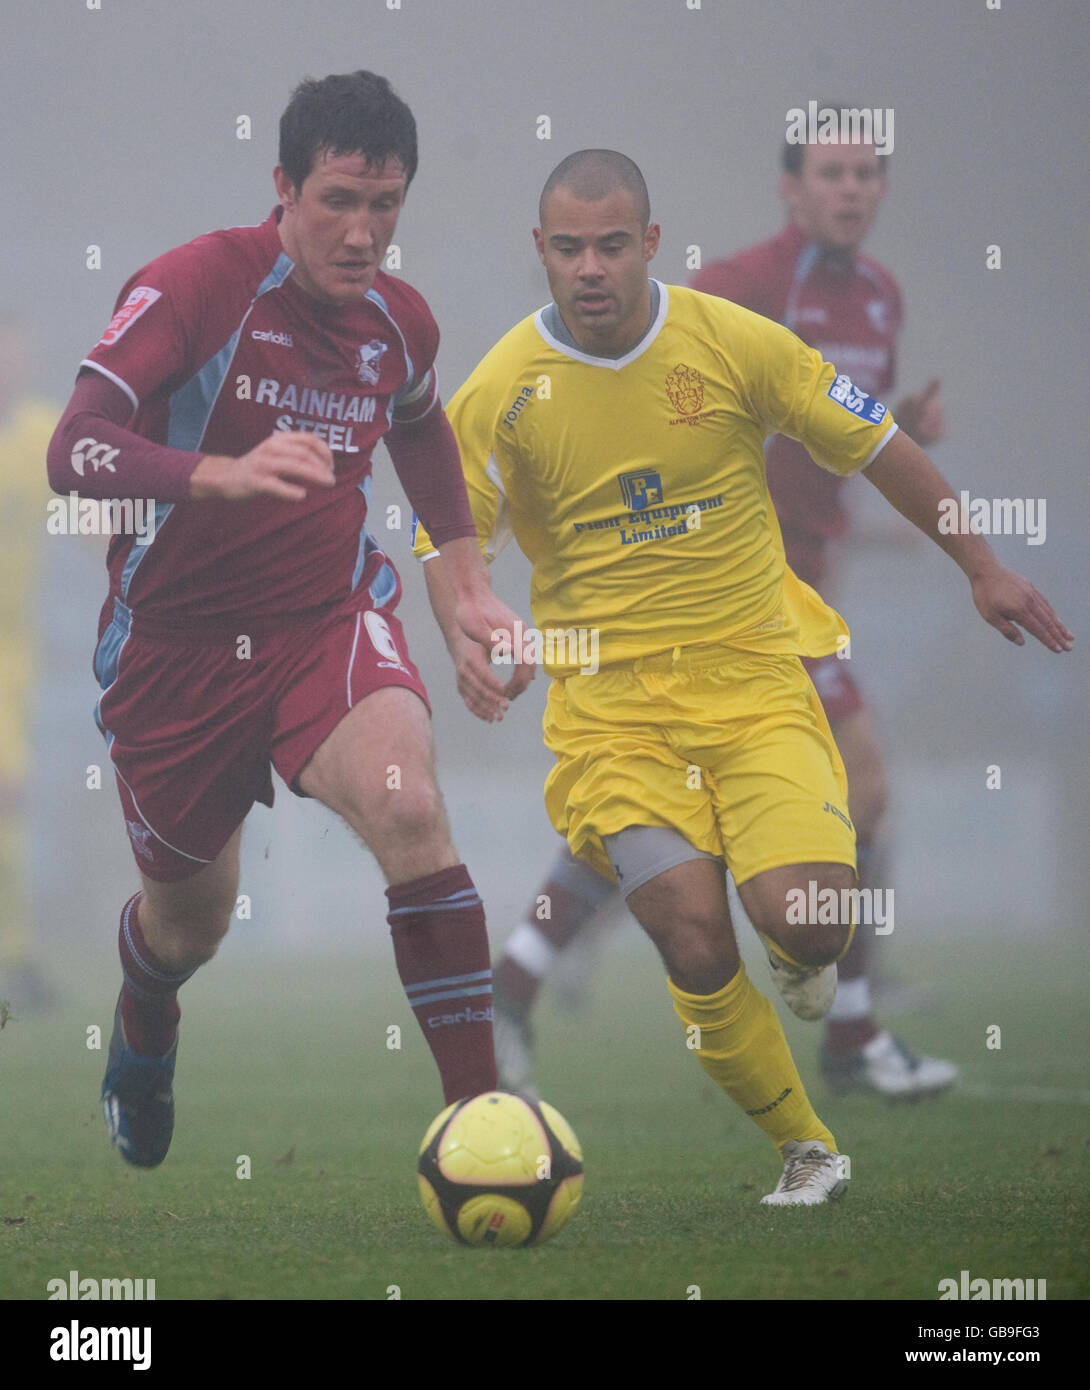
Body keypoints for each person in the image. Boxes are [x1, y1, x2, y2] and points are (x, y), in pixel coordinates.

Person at [414, 149, 1071, 1205]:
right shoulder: (498, 393)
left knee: (807, 916)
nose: (591, 267)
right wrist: (465, 627)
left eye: (612, 245)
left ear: (650, 245)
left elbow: (876, 442)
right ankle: (807, 1147)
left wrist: (981, 565)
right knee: (687, 927)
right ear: (539, 251)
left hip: (757, 683)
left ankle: (808, 962)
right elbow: (450, 539)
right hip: (612, 717)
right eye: (569, 247)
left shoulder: (729, 342)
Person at [46, 71, 528, 1169]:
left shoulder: (400, 321)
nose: (363, 234)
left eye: (386, 206)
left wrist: (465, 591)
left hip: (324, 618)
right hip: (173, 654)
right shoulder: (194, 288)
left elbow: (420, 427)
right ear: (283, 188)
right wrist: (212, 473)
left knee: (410, 813)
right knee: (188, 928)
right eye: (339, 202)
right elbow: (72, 451)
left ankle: (482, 1125)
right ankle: (145, 1016)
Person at [492, 120, 958, 1101]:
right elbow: (661, 388)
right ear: (790, 186)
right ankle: (853, 1026)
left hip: (797, 591)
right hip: (730, 600)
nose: (851, 189)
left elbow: (832, 423)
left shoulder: (878, 298)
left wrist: (899, 426)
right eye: (830, 172)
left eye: (867, 171)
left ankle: (529, 966)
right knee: (854, 785)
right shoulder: (741, 285)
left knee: (668, 805)